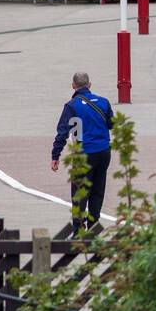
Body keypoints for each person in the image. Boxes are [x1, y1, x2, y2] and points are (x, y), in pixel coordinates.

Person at [51, 72, 114, 234]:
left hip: (84, 154)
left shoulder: (72, 106)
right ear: (90, 85)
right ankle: (94, 226)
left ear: (73, 86)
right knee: (98, 191)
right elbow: (111, 124)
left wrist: (55, 156)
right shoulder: (104, 102)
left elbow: (63, 132)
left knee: (79, 192)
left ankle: (78, 231)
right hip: (103, 152)